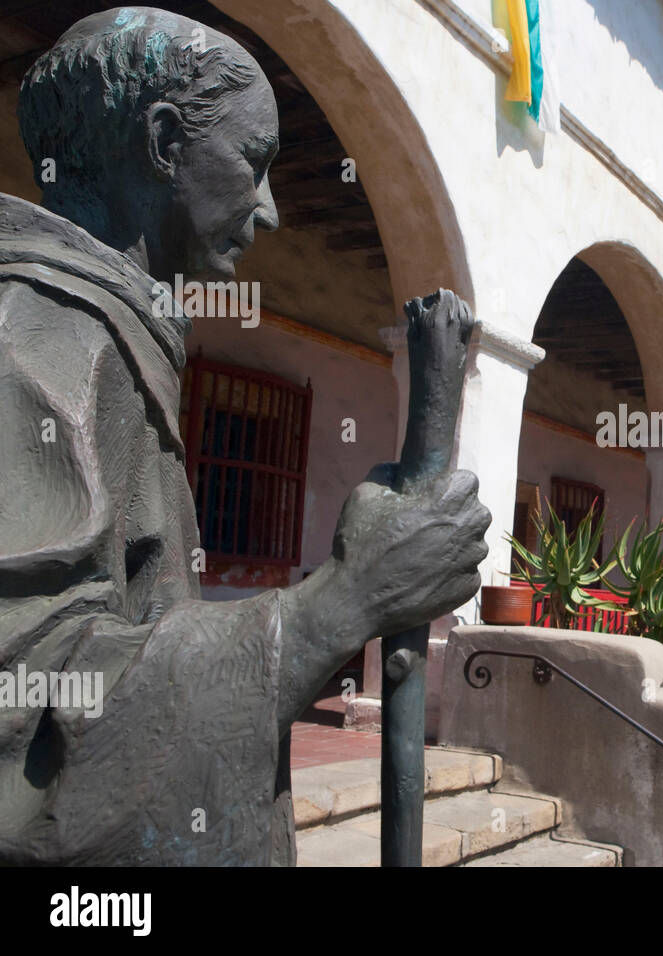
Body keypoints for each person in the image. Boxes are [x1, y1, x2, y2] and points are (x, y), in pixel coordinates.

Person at [0, 7, 489, 865]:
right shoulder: (36, 344)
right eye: (253, 162)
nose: (269, 209)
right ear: (162, 142)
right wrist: (341, 603)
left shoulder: (104, 335)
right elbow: (25, 716)